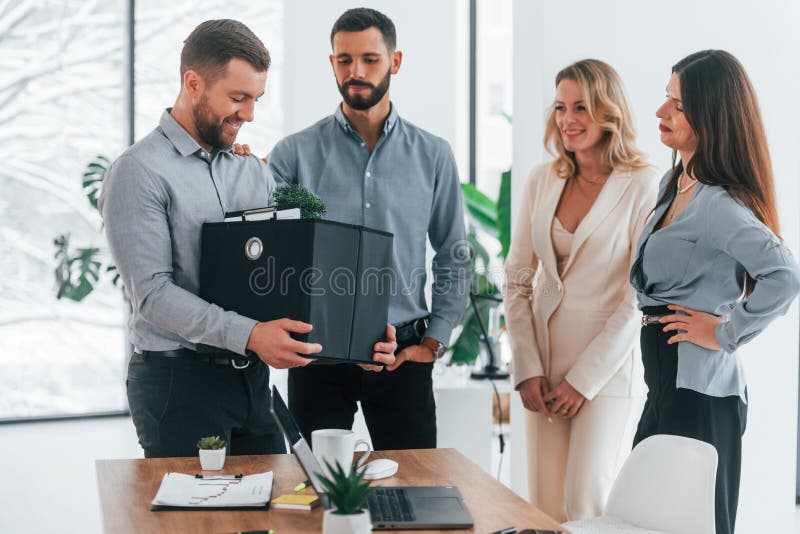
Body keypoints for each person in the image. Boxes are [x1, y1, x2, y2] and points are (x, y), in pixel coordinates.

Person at [99, 19, 396, 459]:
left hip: (253, 383)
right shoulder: (138, 172)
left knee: (273, 502)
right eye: (238, 98)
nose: (250, 115)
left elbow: (284, 276)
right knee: (197, 507)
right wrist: (252, 335)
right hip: (179, 385)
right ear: (193, 83)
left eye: (256, 99)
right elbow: (154, 295)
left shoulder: (253, 171)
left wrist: (356, 341)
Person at [241, 8, 469, 450]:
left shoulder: (434, 155)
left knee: (414, 483)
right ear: (332, 63)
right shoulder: (294, 153)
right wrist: (242, 173)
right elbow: (267, 246)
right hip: (316, 356)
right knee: (318, 483)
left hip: (402, 356)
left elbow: (453, 252)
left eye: (370, 59)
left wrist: (434, 341)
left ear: (395, 62)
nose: (356, 71)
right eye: (344, 60)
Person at [630, 50, 800, 534]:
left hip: (700, 390)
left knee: (694, 522)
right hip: (666, 379)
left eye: (678, 105)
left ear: (711, 115)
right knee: (647, 517)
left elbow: (785, 276)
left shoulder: (717, 204)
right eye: (666, 97)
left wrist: (725, 332)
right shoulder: (674, 183)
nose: (661, 111)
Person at [503, 59, 659, 521]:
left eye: (581, 108)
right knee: (544, 507)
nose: (568, 120)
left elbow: (638, 295)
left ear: (609, 111)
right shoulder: (542, 179)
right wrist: (527, 367)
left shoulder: (643, 185)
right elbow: (517, 278)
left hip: (604, 374)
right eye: (560, 107)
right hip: (542, 368)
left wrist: (583, 380)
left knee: (586, 503)